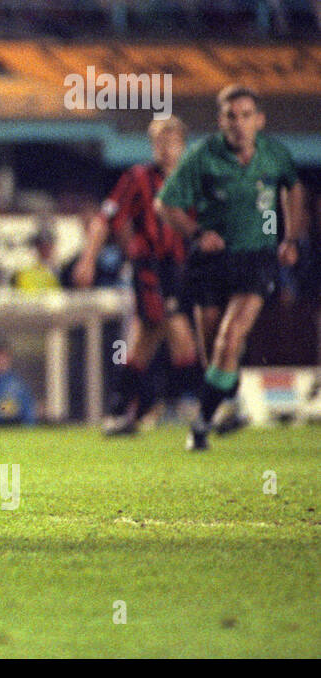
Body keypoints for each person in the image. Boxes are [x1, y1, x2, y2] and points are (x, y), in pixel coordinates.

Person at [156, 85, 305, 451]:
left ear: (259, 119)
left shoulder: (274, 155)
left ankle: (201, 423)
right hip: (210, 262)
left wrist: (289, 237)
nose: (239, 124)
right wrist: (196, 232)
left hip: (256, 258)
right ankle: (230, 405)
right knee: (214, 352)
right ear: (221, 121)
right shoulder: (202, 156)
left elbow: (293, 188)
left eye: (246, 115)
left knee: (230, 336)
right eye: (231, 116)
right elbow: (166, 204)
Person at [73, 117, 200, 436]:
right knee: (179, 333)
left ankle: (118, 410)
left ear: (183, 146)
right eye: (159, 142)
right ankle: (209, 405)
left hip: (179, 269)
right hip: (150, 268)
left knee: (145, 340)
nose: (166, 149)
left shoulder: (192, 182)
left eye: (172, 142)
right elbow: (105, 218)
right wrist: (88, 259)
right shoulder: (137, 177)